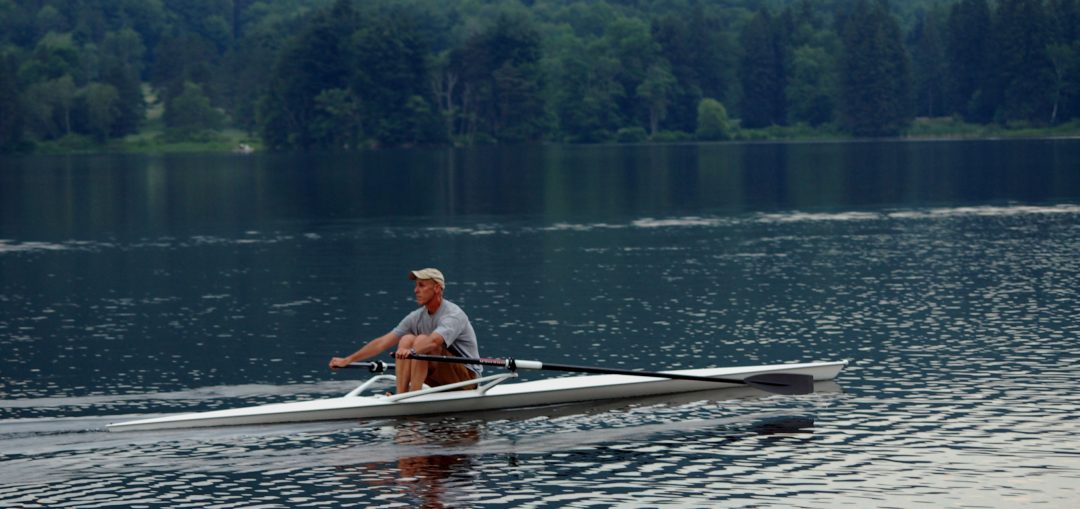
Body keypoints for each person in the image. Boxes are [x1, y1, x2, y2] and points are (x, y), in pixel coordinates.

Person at [329, 268, 481, 394]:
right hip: (440, 378)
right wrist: (348, 360)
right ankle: (402, 396)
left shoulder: (453, 314)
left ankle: (412, 397)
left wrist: (413, 351)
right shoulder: (417, 317)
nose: (416, 290)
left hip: (467, 379)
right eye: (416, 286)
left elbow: (434, 341)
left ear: (437, 288)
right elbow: (382, 342)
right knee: (405, 340)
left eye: (421, 285)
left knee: (421, 340)